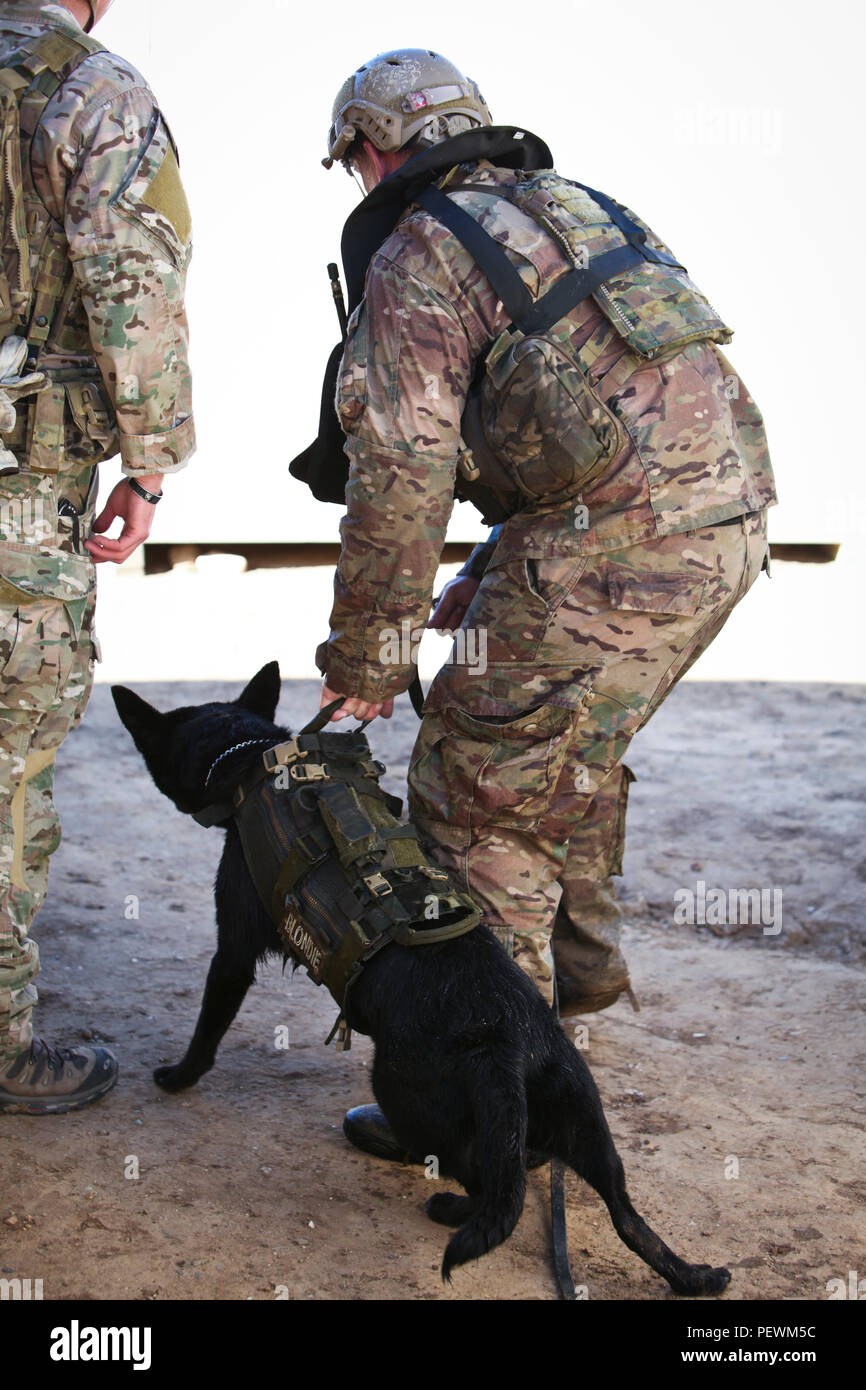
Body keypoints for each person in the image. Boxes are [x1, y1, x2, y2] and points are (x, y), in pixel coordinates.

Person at [310, 50, 776, 1158]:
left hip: (618, 545)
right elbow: (592, 421)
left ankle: (494, 1108)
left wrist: (363, 665)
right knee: (557, 743)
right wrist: (494, 560)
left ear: (374, 149)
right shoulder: (575, 207)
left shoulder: (419, 253)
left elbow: (401, 472)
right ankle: (574, 987)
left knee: (478, 788)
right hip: (727, 521)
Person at [0, 0, 194, 1113]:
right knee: (10, 761)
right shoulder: (91, 90)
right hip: (21, 499)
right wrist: (150, 464)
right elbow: (134, 289)